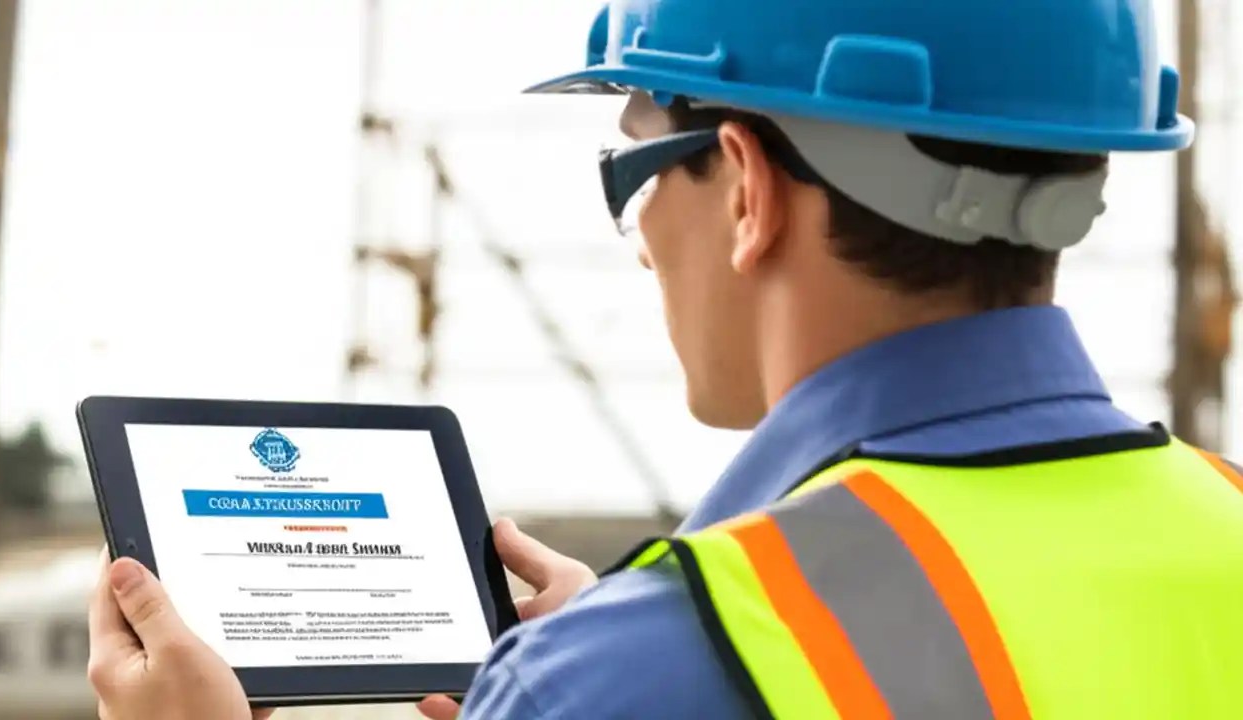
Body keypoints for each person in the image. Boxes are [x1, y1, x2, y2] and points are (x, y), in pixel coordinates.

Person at [87, 0, 1243, 718]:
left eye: (629, 171)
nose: (637, 241)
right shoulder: (1222, 517)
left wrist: (614, 670)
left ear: (743, 188)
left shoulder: (625, 675)